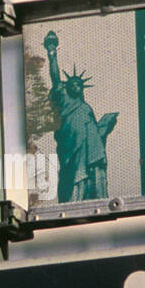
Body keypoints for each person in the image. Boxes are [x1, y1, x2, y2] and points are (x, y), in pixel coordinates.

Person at [44, 30, 118, 202]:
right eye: (72, 83)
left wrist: (105, 125)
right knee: (74, 171)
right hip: (71, 143)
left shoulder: (86, 108)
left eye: (79, 84)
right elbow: (55, 78)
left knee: (91, 171)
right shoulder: (64, 99)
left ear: (82, 88)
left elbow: (96, 134)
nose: (76, 85)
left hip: (90, 150)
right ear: (67, 87)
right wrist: (51, 53)